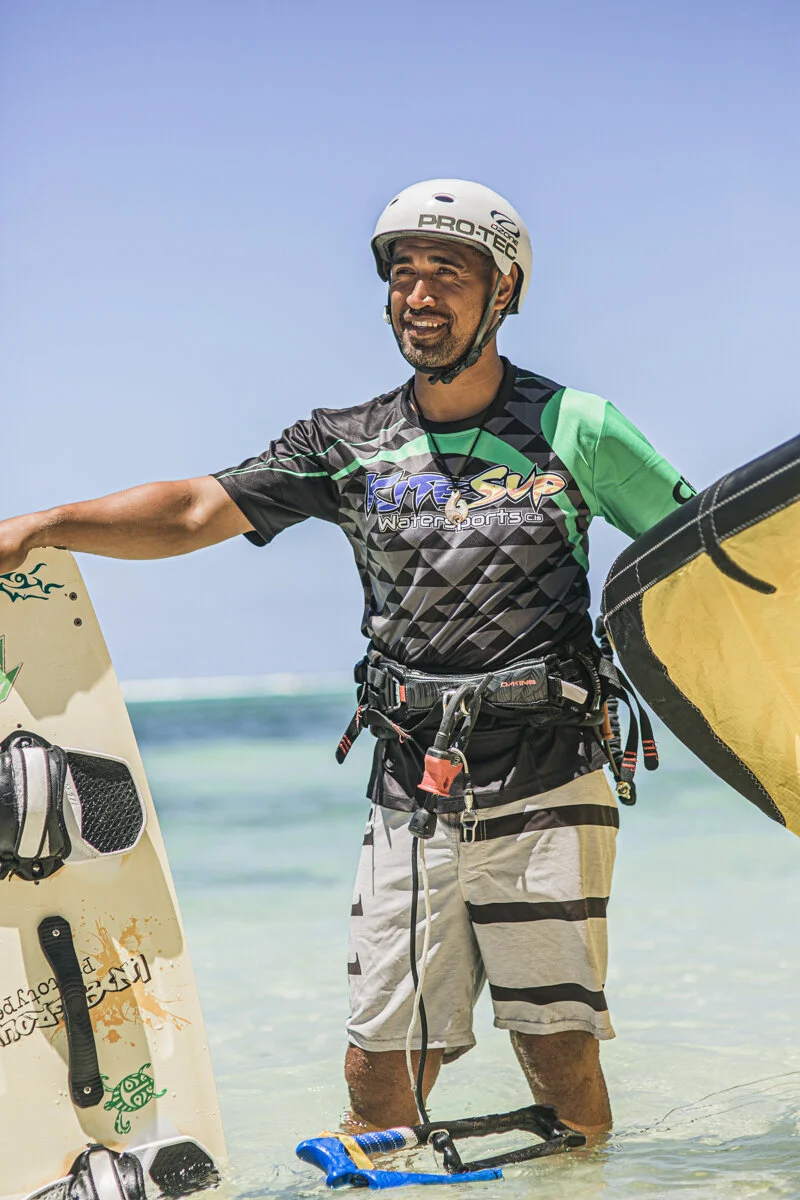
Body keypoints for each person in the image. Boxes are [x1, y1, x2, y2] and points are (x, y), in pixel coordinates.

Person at [0, 179, 693, 1138]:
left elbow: (698, 565)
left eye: (446, 273)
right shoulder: (347, 443)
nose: (418, 295)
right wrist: (46, 525)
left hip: (553, 778)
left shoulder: (580, 428)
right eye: (402, 274)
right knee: (377, 1069)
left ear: (505, 290)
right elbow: (198, 509)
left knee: (558, 1049)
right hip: (411, 787)